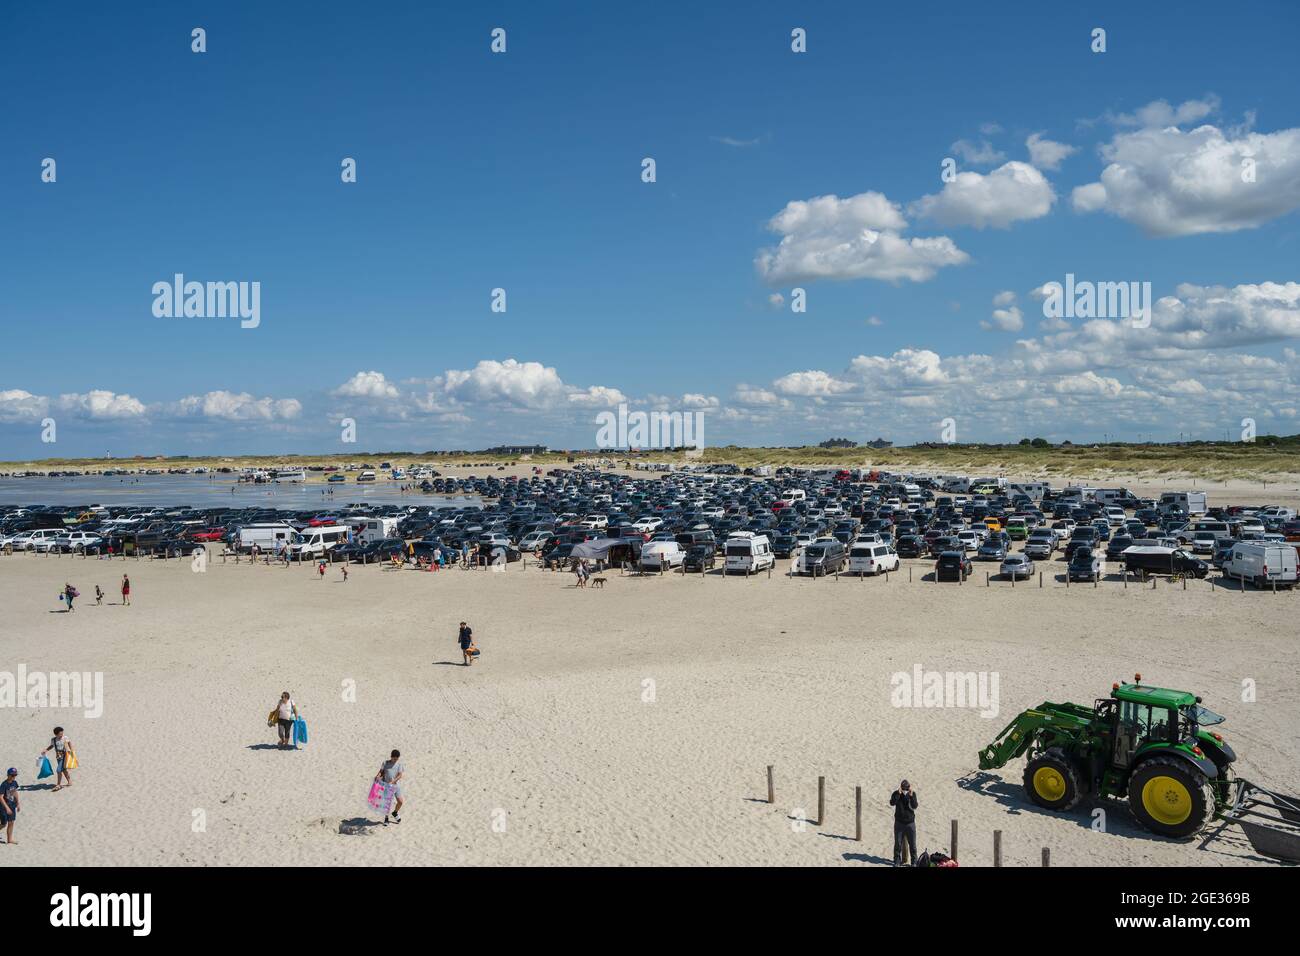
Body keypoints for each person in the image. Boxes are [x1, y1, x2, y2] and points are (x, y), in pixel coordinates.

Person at [890, 779, 918, 866]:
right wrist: (898, 793)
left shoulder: (912, 794)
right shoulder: (896, 793)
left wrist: (911, 796)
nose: (905, 790)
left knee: (913, 844)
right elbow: (892, 803)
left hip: (910, 823)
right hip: (899, 823)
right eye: (904, 788)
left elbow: (915, 806)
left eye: (907, 788)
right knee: (898, 844)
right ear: (901, 787)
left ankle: (914, 861)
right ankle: (897, 860)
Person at [376, 750, 405, 825]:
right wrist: (378, 776)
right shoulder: (385, 763)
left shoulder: (399, 765)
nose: (395, 760)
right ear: (391, 757)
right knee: (387, 803)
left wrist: (393, 781)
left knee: (400, 801)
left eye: (397, 759)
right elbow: (381, 772)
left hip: (396, 786)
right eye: (394, 758)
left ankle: (395, 813)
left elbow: (400, 775)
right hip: (387, 786)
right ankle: (386, 818)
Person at [0, 768, 18, 844]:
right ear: (8, 775)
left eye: (15, 775)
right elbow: (0, 797)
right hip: (4, 807)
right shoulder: (4, 784)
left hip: (12, 805)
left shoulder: (14, 783)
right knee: (4, 824)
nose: (14, 776)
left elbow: (15, 792)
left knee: (11, 822)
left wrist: (18, 803)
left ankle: (9, 839)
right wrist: (6, 808)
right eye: (13, 775)